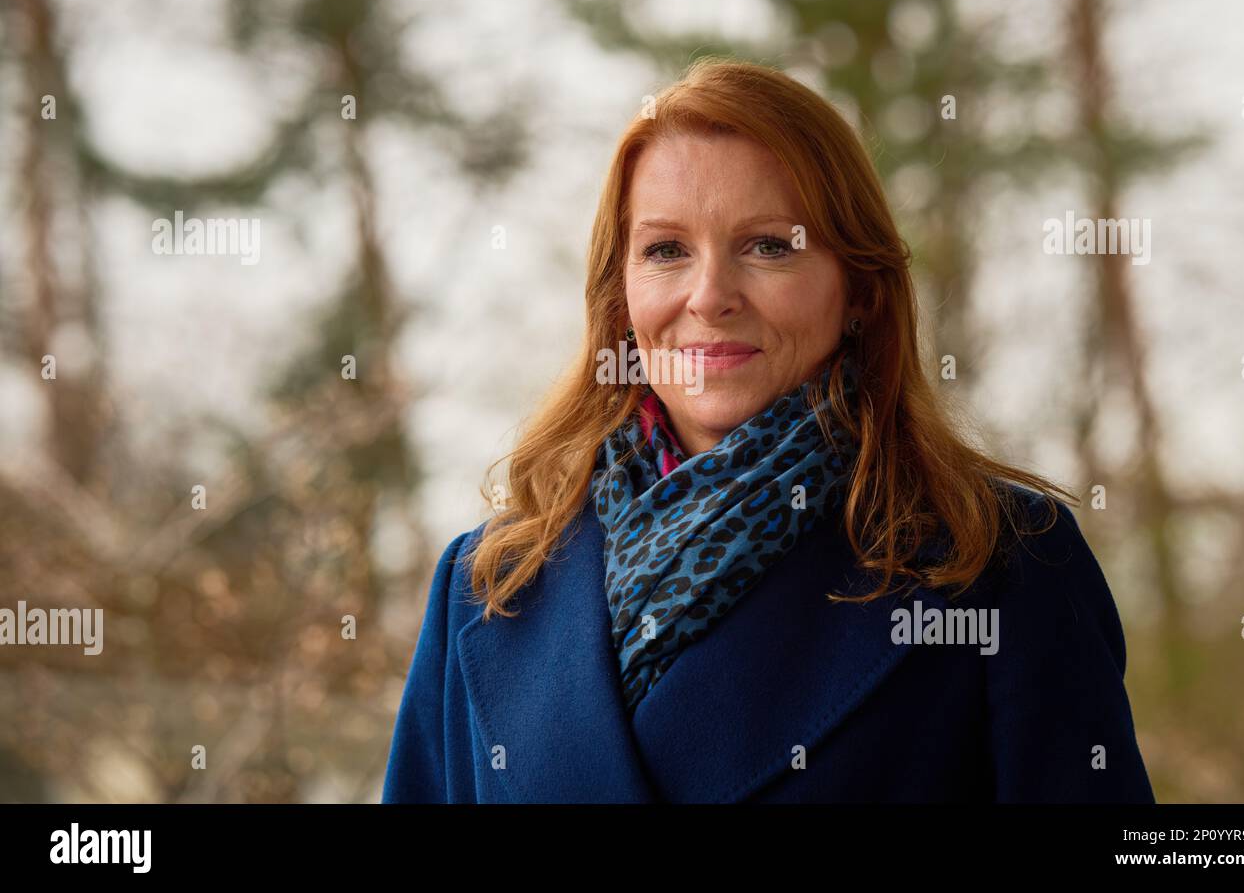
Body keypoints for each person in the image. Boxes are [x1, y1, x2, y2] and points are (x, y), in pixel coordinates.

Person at [381, 58, 1155, 803]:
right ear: (620, 297)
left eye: (770, 246)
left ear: (860, 290)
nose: (709, 296)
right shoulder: (487, 588)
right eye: (666, 250)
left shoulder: (998, 562)